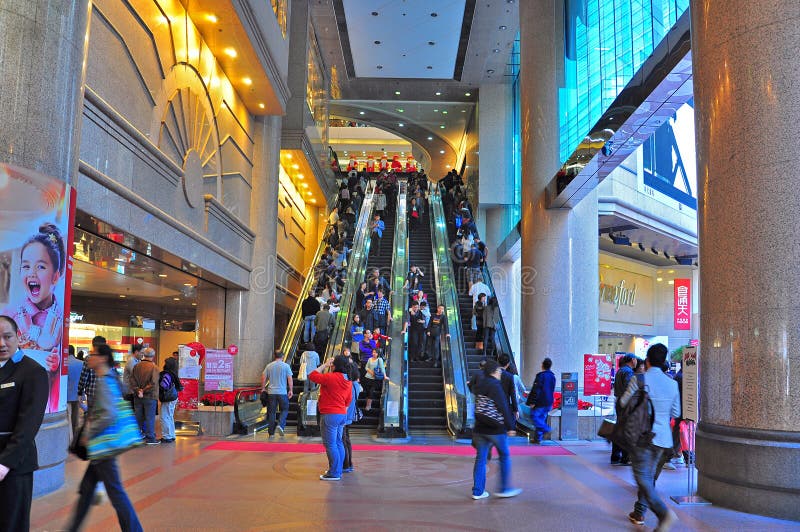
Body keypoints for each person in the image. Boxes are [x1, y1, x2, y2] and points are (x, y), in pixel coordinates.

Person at [67, 343, 143, 532]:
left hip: (104, 446)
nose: (89, 358)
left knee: (116, 492)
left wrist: (89, 434)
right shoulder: (108, 378)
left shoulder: (105, 381)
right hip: (101, 446)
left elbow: (108, 414)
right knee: (87, 490)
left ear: (101, 358)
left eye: (92, 355)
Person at [3, 224, 65, 413]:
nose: (32, 272)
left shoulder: (60, 316)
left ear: (55, 276)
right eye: (26, 266)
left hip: (45, 402)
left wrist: (56, 363)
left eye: (40, 266)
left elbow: (57, 356)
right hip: (12, 400)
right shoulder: (10, 313)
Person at [620, 344, 680, 530]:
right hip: (663, 441)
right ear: (663, 362)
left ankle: (664, 514)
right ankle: (639, 512)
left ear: (647, 360)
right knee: (649, 478)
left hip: (643, 437)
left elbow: (623, 402)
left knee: (643, 479)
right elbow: (676, 412)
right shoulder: (672, 383)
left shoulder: (639, 379)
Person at [0, 315, 49, 531]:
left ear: (18, 337)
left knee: (12, 524)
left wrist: (5, 463)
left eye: (7, 336)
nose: (1, 343)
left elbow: (28, 424)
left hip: (14, 464)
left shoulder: (32, 372)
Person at [469, 359, 521, 500]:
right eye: (498, 371)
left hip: (480, 427)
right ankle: (504, 489)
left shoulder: (480, 384)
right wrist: (510, 426)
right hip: (495, 429)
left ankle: (478, 491)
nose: (500, 373)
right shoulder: (495, 385)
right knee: (504, 455)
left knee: (481, 458)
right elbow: (503, 406)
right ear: (494, 371)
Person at [308, 355, 353, 481]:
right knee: (338, 442)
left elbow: (312, 375)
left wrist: (324, 365)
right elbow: (348, 400)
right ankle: (339, 469)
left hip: (330, 414)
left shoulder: (330, 377)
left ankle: (334, 473)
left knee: (330, 444)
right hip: (341, 414)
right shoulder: (348, 381)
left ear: (335, 365)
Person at [130, 347, 160, 445]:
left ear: (144, 355)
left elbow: (132, 380)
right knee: (149, 417)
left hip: (137, 396)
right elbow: (154, 383)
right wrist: (143, 390)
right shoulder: (154, 367)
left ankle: (136, 437)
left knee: (138, 417)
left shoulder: (137, 366)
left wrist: (138, 390)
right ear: (153, 356)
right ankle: (150, 438)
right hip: (150, 397)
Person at [611, 354, 636, 465]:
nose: (636, 362)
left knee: (619, 429)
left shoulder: (620, 370)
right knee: (626, 430)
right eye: (635, 360)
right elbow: (629, 388)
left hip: (619, 401)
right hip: (626, 403)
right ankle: (626, 457)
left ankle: (615, 455)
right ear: (632, 360)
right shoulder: (629, 372)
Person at [262, 350, 294, 438]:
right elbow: (290, 379)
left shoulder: (269, 366)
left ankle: (271, 433)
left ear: (274, 356)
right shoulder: (286, 366)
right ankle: (280, 424)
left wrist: (263, 388)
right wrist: (290, 390)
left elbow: (263, 377)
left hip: (271, 393)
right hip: (282, 392)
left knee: (271, 412)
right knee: (285, 409)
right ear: (283, 356)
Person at [526, 357, 555, 444]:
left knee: (534, 416)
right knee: (541, 419)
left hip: (540, 402)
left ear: (542, 365)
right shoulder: (553, 376)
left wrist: (532, 401)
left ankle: (546, 429)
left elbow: (536, 389)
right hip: (549, 402)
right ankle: (537, 438)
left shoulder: (541, 376)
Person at [342, 362, 362, 474]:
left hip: (345, 414)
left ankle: (346, 464)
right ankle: (349, 463)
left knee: (343, 440)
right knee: (347, 439)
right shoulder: (356, 385)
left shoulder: (349, 385)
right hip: (349, 415)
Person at [158, 357, 182, 443]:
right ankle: (171, 435)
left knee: (164, 417)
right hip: (173, 397)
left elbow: (164, 385)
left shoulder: (167, 374)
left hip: (168, 398)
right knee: (170, 416)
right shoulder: (174, 373)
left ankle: (167, 436)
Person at [67, 344, 84, 439]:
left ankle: (70, 438)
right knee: (75, 419)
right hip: (77, 395)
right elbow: (83, 380)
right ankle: (75, 437)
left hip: (66, 396)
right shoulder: (81, 363)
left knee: (68, 418)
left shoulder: (64, 363)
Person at [497, 353, 520, 421]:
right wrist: (516, 410)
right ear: (508, 364)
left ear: (498, 362)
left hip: (493, 405)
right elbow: (513, 395)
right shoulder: (509, 376)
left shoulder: (492, 374)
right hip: (505, 405)